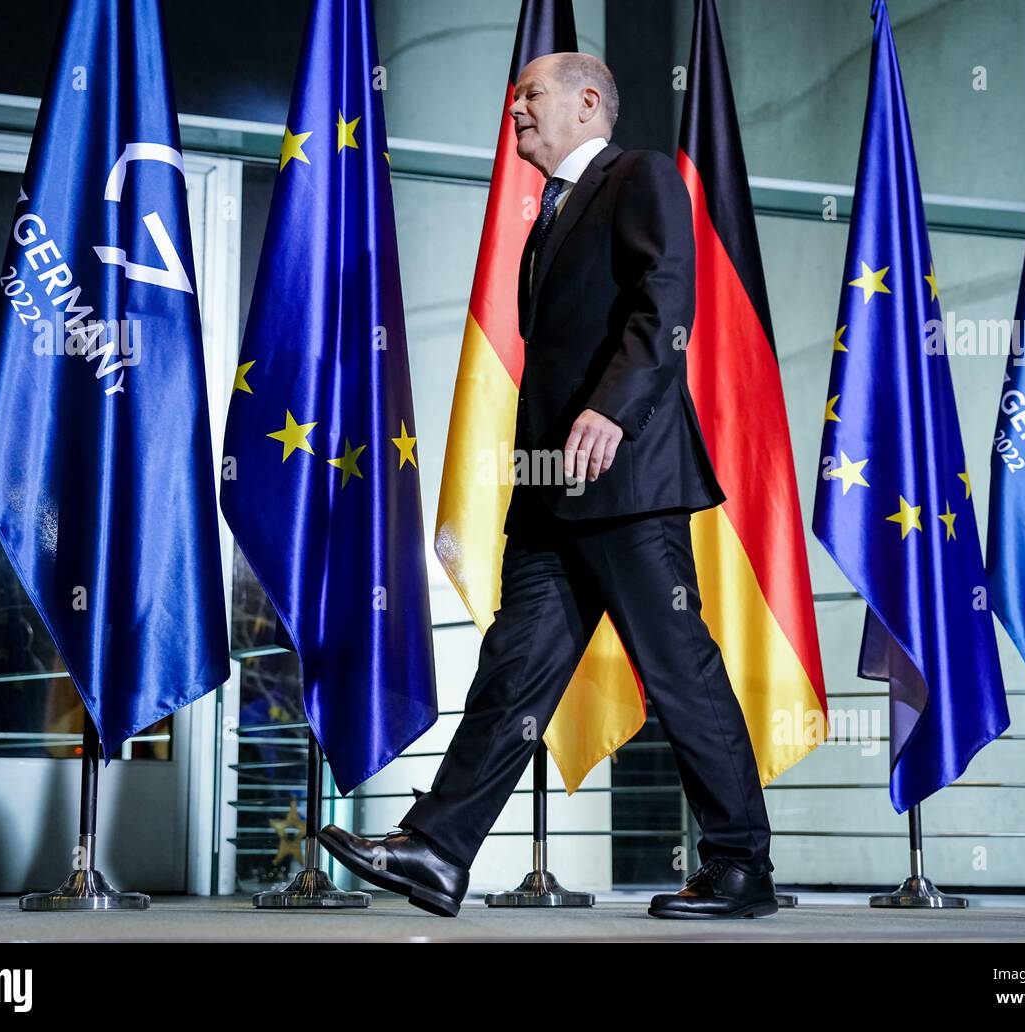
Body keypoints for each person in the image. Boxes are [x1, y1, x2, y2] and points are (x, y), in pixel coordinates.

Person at [319, 52, 776, 920]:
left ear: (590, 100)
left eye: (530, 93)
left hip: (627, 478)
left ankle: (741, 867)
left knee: (678, 672)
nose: (515, 107)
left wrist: (613, 412)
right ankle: (437, 850)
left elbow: (665, 300)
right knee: (513, 670)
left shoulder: (639, 174)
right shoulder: (547, 217)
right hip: (550, 494)